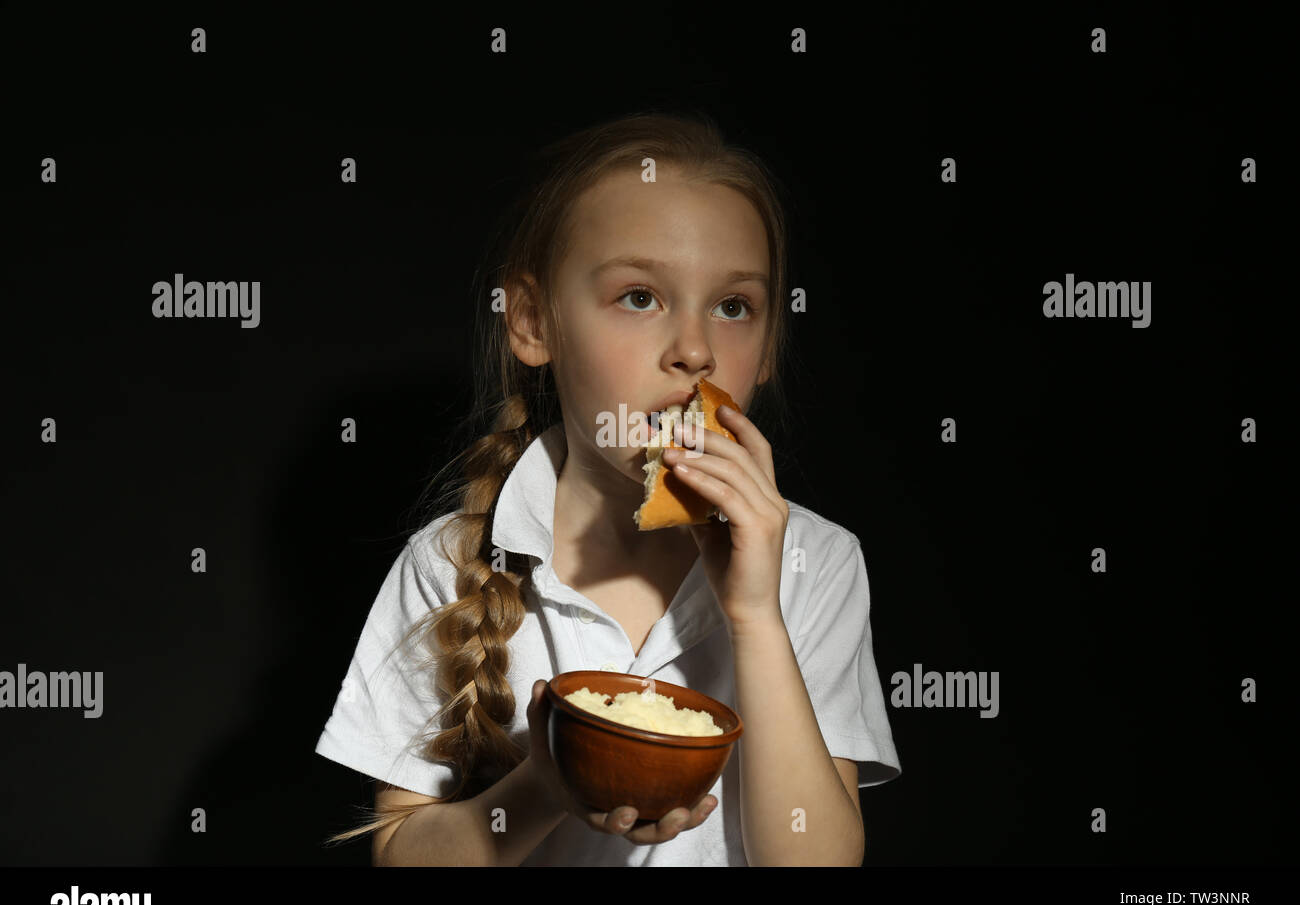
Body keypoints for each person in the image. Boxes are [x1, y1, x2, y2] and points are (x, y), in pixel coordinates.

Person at [314, 109, 901, 865]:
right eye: (639, 297)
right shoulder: (448, 562)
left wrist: (755, 615)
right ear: (533, 322)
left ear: (767, 354)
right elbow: (402, 858)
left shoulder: (815, 561)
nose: (694, 350)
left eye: (733, 307)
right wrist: (548, 785)